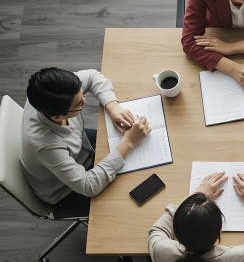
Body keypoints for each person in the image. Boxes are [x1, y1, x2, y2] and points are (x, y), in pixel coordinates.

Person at [19, 67, 151, 213]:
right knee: (126, 204)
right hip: (66, 192)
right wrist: (129, 141)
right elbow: (88, 186)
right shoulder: (45, 145)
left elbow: (93, 76)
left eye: (82, 95)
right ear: (57, 117)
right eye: (78, 105)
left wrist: (113, 107)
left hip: (82, 149)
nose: (85, 102)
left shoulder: (53, 90)